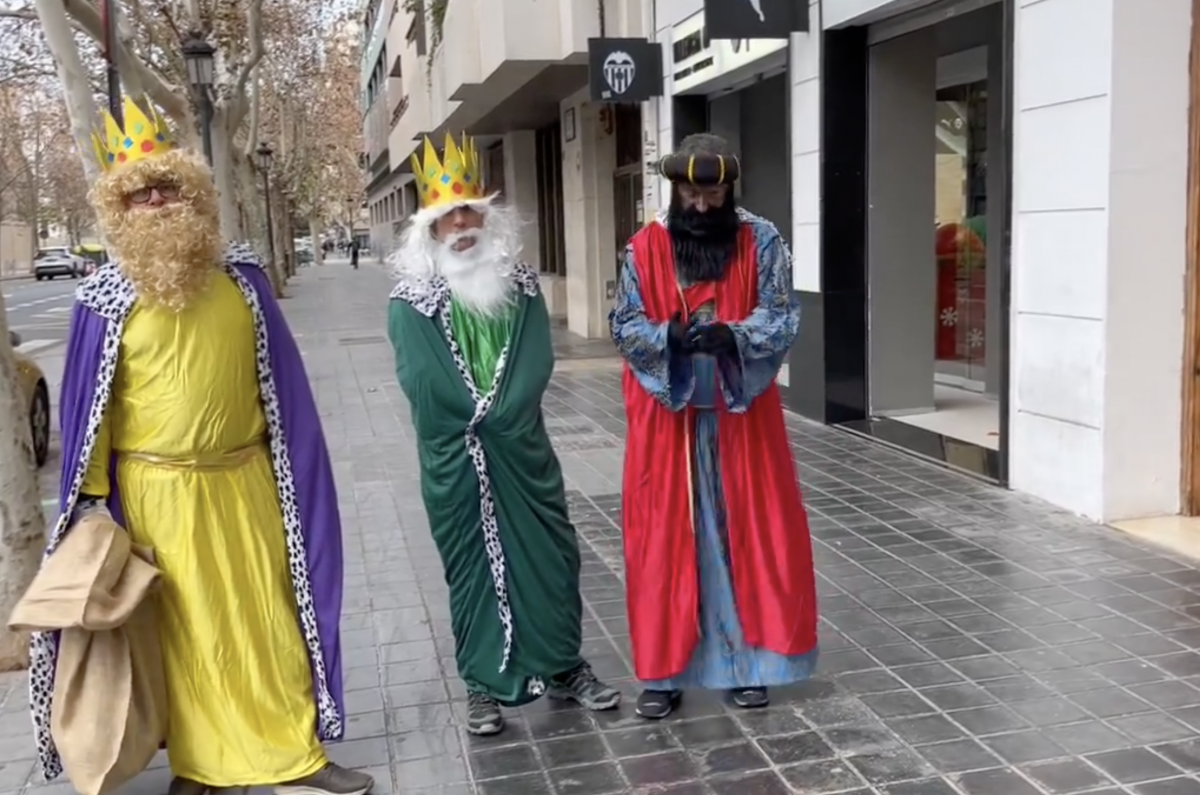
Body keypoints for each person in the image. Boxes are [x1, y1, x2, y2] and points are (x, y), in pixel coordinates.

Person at [30, 97, 368, 795]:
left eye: (168, 186)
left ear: (193, 193)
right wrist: (93, 503)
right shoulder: (101, 299)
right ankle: (199, 765)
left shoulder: (242, 280)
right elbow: (92, 407)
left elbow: (284, 389)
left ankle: (295, 752)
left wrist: (291, 477)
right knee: (183, 635)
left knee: (268, 618)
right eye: (139, 192)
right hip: (156, 497)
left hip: (244, 482)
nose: (156, 201)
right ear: (119, 207)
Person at [386, 133, 621, 736]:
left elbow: (534, 362)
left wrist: (502, 416)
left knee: (551, 557)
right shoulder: (410, 301)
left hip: (522, 450)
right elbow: (423, 381)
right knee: (471, 571)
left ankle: (565, 667)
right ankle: (483, 686)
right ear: (430, 228)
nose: (462, 224)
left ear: (486, 218)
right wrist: (475, 419)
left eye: (471, 212)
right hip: (455, 459)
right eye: (448, 216)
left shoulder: (519, 286)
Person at [609, 133, 819, 720]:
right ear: (674, 189)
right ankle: (662, 673)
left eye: (713, 193)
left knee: (745, 542)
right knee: (663, 548)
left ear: (730, 190)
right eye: (690, 193)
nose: (701, 206)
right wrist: (666, 338)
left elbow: (782, 314)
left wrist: (736, 336)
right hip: (666, 425)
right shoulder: (643, 247)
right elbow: (623, 324)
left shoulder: (763, 240)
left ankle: (748, 666)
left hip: (740, 419)